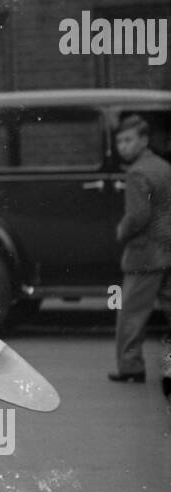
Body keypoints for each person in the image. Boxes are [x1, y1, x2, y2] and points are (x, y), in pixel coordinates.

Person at [108, 113, 171, 396]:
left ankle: (131, 367)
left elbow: (138, 217)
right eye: (120, 141)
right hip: (168, 248)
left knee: (131, 314)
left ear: (143, 140)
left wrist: (121, 231)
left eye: (128, 140)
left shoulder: (137, 174)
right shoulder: (163, 167)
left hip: (145, 254)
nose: (123, 146)